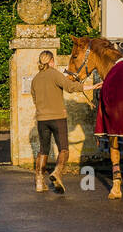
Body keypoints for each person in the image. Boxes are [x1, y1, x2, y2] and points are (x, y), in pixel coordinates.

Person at [31, 50, 95, 193]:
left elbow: (35, 100)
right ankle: (57, 173)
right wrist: (91, 86)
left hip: (42, 120)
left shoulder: (35, 79)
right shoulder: (55, 74)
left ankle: (39, 182)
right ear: (52, 61)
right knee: (64, 149)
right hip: (58, 118)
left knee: (43, 150)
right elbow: (70, 87)